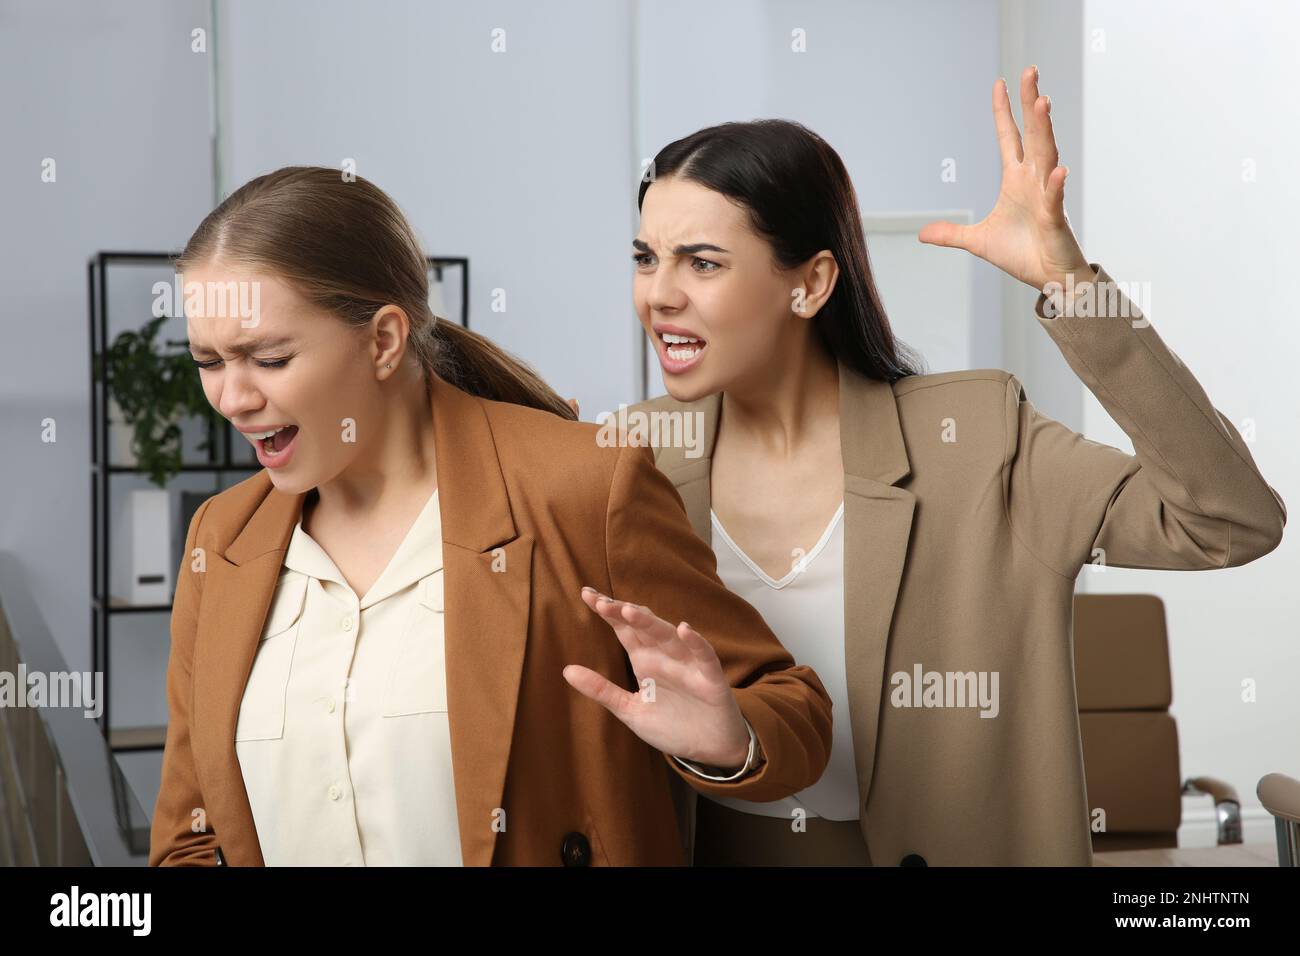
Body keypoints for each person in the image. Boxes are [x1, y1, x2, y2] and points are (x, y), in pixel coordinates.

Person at [622, 66, 1287, 865]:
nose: (656, 295)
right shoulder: (632, 458)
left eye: (700, 262)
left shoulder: (975, 440)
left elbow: (1229, 522)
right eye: (644, 257)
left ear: (811, 285)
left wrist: (1074, 290)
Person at [148, 165, 833, 866]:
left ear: (384, 340)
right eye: (208, 361)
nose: (231, 398)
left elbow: (794, 711)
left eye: (267, 358)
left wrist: (729, 738)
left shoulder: (585, 487)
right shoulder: (222, 539)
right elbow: (191, 838)